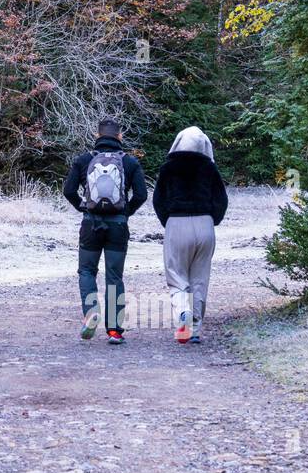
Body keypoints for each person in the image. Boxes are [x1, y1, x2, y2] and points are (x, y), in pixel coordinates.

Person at [63, 118, 147, 345]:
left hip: (90, 225)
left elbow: (68, 190)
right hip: (118, 227)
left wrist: (83, 206)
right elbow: (141, 195)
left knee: (87, 272)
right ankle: (114, 331)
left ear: (96, 135)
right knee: (114, 277)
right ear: (120, 137)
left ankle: (91, 313)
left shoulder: (84, 160)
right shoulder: (129, 162)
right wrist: (125, 213)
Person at [152, 126, 228, 345]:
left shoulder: (168, 168)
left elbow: (158, 200)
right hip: (205, 224)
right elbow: (221, 200)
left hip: (176, 222)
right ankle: (194, 327)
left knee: (176, 276)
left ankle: (182, 313)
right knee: (199, 279)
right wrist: (212, 220)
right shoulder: (209, 168)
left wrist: (168, 221)